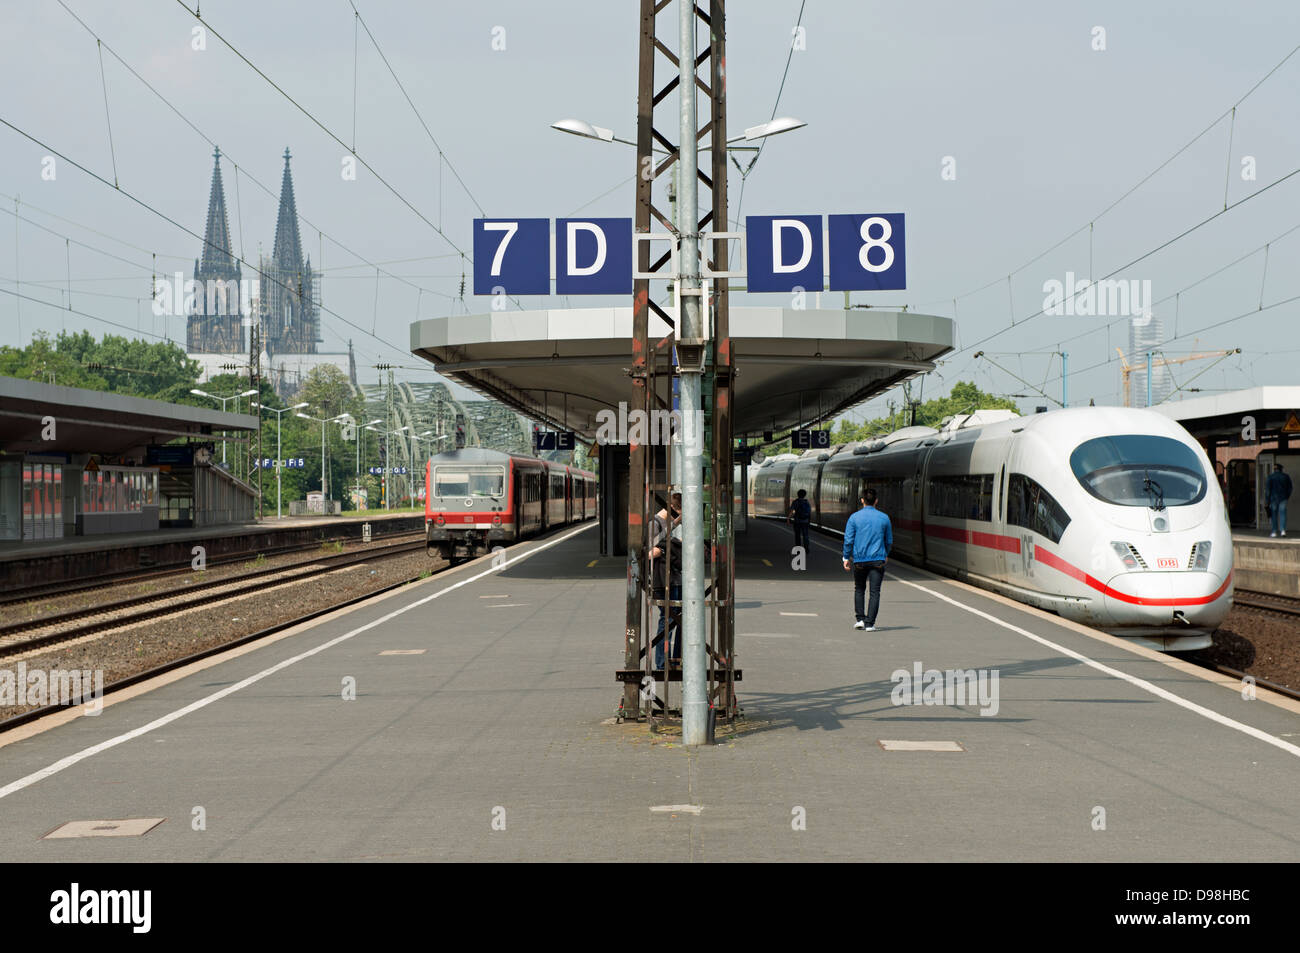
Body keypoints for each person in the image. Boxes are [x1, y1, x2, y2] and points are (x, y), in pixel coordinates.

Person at [842, 487, 893, 631]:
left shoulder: (854, 517)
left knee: (859, 589)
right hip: (878, 560)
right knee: (875, 592)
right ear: (876, 501)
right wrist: (885, 554)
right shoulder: (884, 518)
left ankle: (860, 619)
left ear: (862, 500)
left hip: (859, 561)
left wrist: (846, 557)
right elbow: (889, 540)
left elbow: (848, 540)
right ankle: (870, 623)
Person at [649, 492, 682, 668]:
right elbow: (648, 552)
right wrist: (662, 550)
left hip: (674, 578)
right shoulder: (654, 524)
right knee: (668, 619)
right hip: (662, 580)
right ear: (676, 510)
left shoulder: (667, 523)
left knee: (679, 618)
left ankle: (676, 658)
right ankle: (662, 663)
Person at [1267, 463, 1292, 537]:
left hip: (1273, 498)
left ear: (1274, 469)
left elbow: (1268, 490)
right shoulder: (1286, 476)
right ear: (1281, 469)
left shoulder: (1271, 477)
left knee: (1274, 515)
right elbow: (1290, 488)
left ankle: (1274, 531)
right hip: (1283, 498)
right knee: (1282, 514)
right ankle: (1283, 530)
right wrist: (1287, 496)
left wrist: (1267, 500)